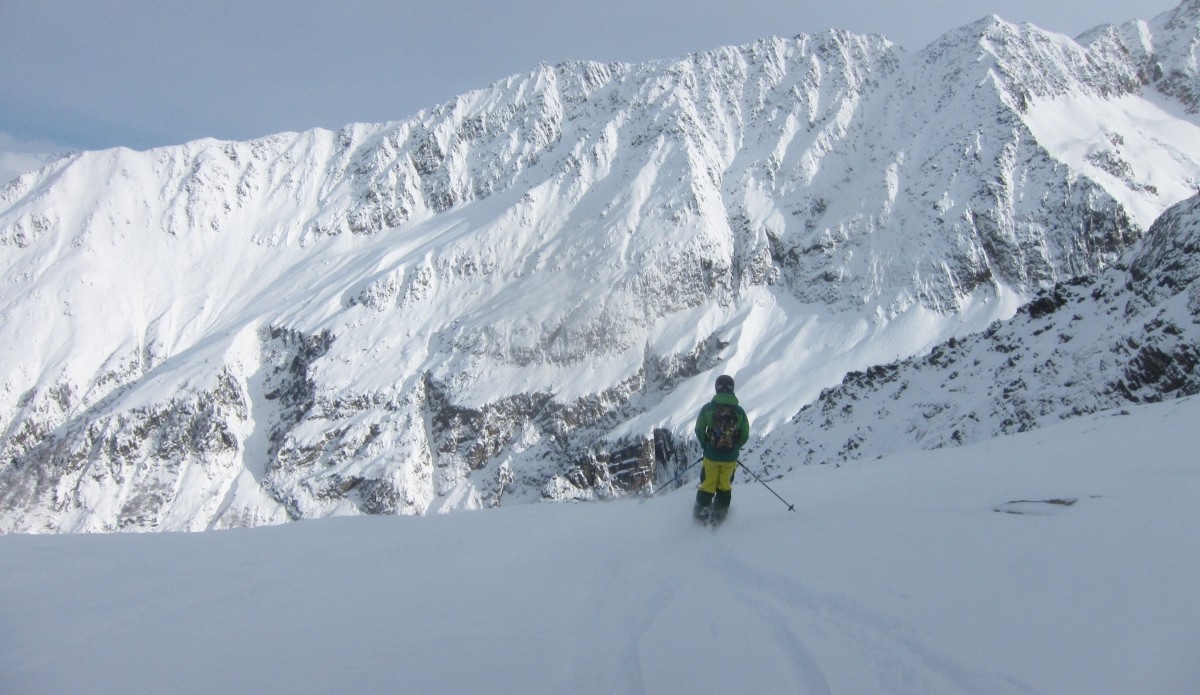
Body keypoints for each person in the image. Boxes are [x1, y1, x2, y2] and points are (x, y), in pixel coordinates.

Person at [692, 374, 750, 524]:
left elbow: (699, 429)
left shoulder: (708, 408)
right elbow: (745, 434)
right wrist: (735, 448)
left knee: (708, 484)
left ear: (717, 389)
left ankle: (701, 517)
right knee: (724, 485)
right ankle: (720, 516)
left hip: (711, 456)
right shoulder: (739, 411)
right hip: (730, 459)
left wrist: (706, 446)